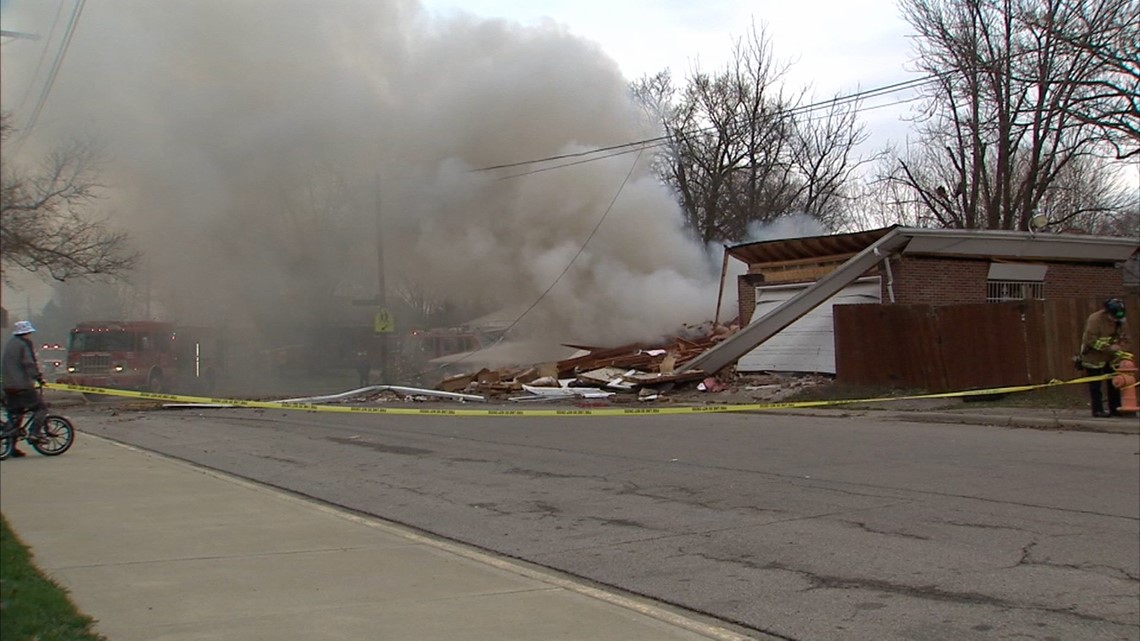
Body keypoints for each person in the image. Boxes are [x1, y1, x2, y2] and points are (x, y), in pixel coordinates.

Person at [1079, 298, 1130, 418]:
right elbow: (1090, 340)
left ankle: (1115, 409)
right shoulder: (1095, 320)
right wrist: (1109, 348)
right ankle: (1097, 410)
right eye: (1114, 316)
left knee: (1114, 383)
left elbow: (1125, 338)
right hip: (1093, 357)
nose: (1116, 319)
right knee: (1095, 385)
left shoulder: (1121, 321)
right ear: (1107, 312)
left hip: (1111, 358)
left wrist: (1121, 348)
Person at [2, 320, 47, 456]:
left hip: (8, 387)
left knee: (16, 416)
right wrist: (38, 377)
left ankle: (12, 448)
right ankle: (35, 433)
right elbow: (28, 364)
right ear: (26, 333)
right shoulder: (24, 345)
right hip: (22, 385)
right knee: (41, 408)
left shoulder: (10, 344)